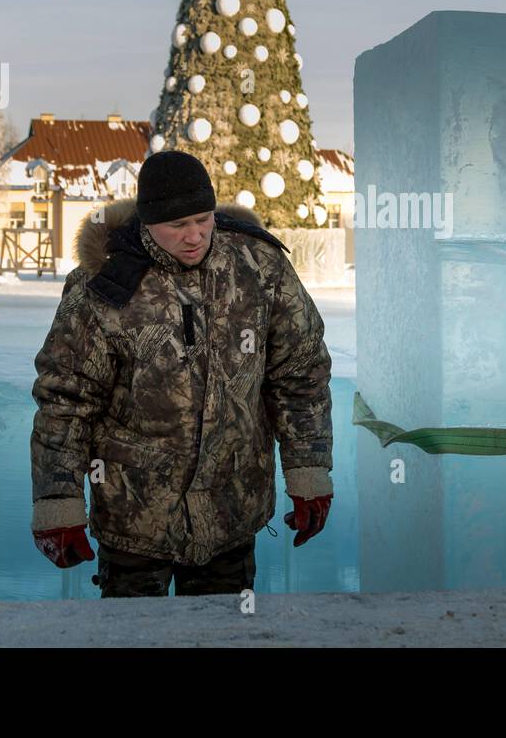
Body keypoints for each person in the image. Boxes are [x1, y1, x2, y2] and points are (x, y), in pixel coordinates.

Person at [29, 150, 333, 596]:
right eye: (177, 225)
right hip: (134, 517)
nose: (194, 236)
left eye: (203, 220)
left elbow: (299, 375)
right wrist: (59, 502)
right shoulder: (106, 285)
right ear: (146, 223)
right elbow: (65, 401)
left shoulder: (259, 268)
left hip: (232, 510)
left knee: (223, 637)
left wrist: (309, 473)